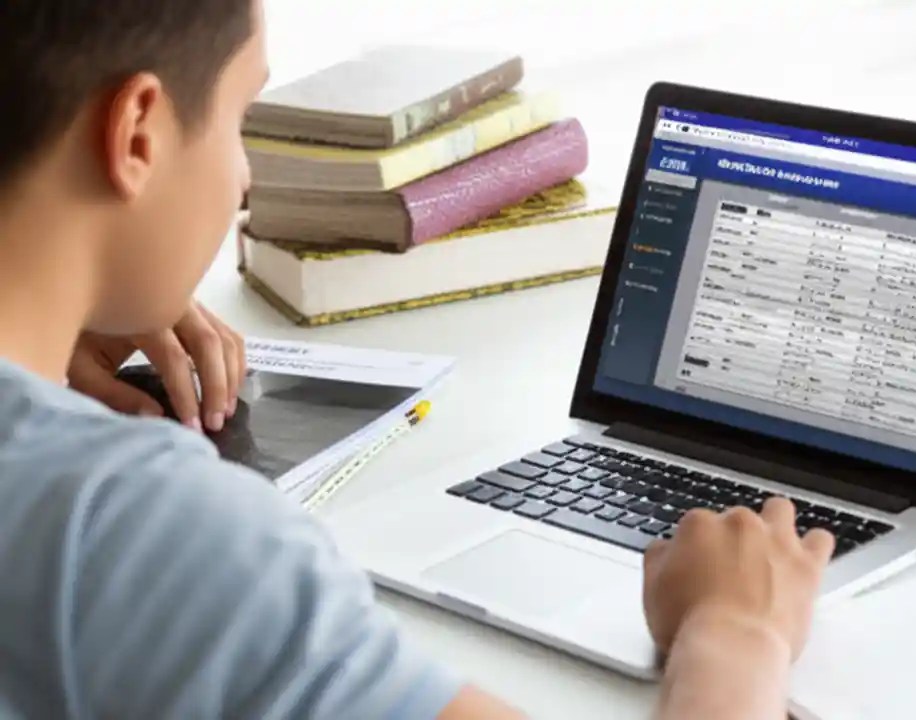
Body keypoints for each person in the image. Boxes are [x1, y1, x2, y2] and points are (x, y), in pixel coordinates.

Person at [0, 1, 836, 718]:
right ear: (138, 132)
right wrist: (738, 635)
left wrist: (49, 315)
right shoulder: (141, 534)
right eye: (240, 118)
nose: (244, 178)